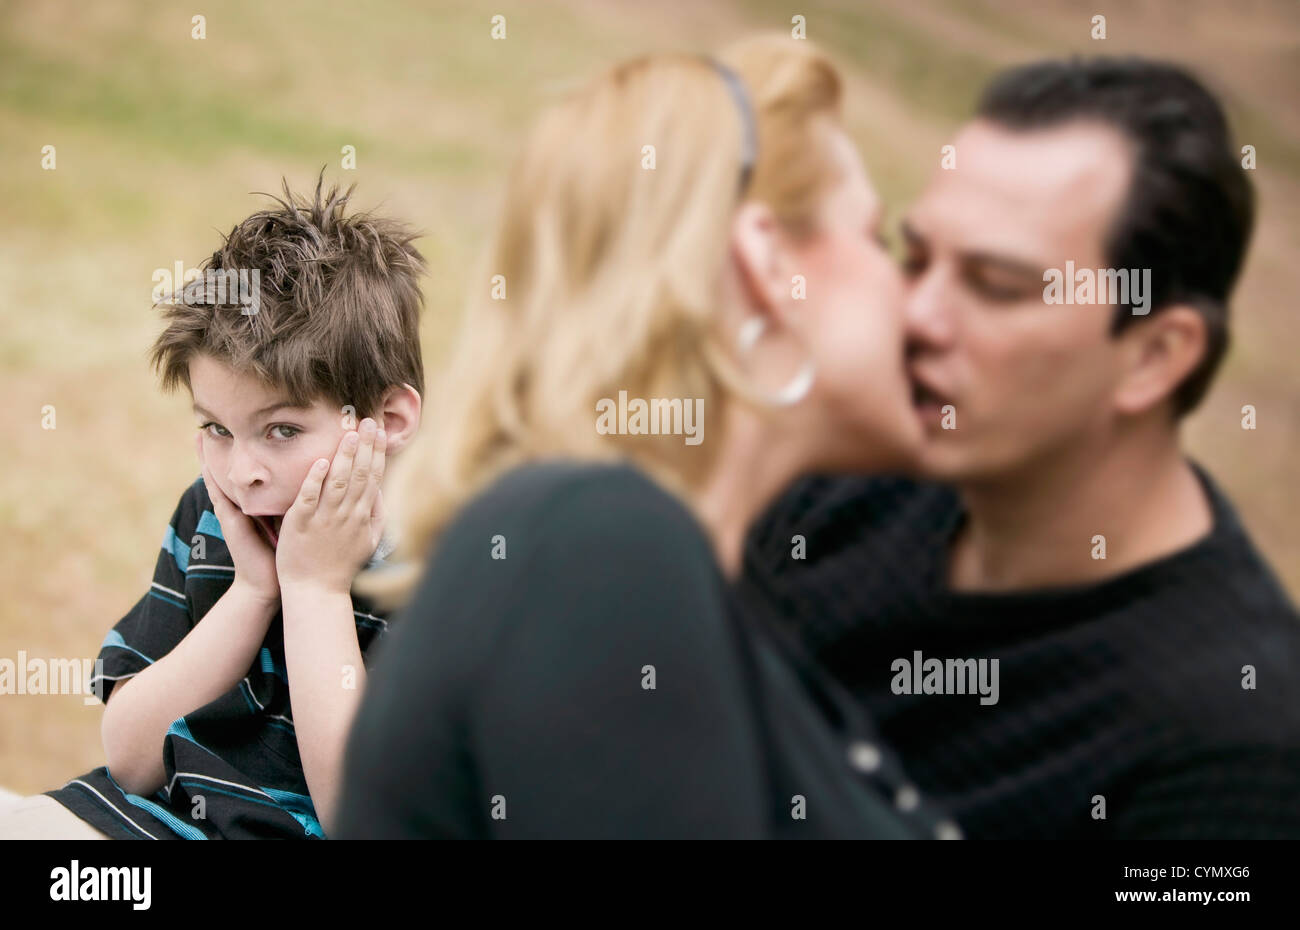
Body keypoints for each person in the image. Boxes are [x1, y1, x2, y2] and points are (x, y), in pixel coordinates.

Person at [336, 37, 957, 839]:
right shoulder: (600, 541)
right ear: (767, 261)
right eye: (876, 240)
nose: (911, 299)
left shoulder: (677, 570)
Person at [737, 57, 1300, 839]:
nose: (918, 317)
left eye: (996, 285)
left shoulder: (1237, 751)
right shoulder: (842, 488)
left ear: (1154, 356)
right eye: (915, 260)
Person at [0, 177, 425, 839]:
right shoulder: (215, 516)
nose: (242, 473)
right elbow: (131, 759)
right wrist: (254, 593)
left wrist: (314, 590)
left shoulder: (438, 573)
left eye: (281, 431)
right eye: (217, 430)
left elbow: (365, 819)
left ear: (390, 419)